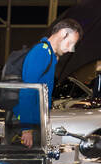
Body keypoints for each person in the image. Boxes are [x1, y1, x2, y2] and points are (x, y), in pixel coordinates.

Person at [14, 18, 83, 147]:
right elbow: (27, 91)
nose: (70, 49)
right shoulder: (42, 52)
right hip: (27, 126)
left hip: (34, 123)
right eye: (70, 43)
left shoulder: (49, 54)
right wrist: (26, 128)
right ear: (63, 33)